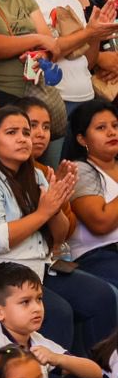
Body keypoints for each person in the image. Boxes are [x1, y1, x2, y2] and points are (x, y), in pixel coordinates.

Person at [0, 106, 118, 357]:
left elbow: (59, 237)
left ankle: (96, 373)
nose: (23, 138)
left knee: (100, 296)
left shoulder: (36, 176)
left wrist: (57, 208)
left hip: (35, 267)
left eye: (25, 132)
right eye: (11, 132)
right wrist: (43, 212)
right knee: (58, 312)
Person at [23, 0, 116, 126]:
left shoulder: (70, 1)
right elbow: (51, 50)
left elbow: (87, 61)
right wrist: (89, 32)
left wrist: (97, 35)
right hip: (52, 98)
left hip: (85, 95)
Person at [66, 99, 118, 286]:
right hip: (97, 256)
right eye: (101, 128)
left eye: (115, 125)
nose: (111, 132)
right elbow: (100, 223)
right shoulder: (81, 169)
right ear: (82, 139)